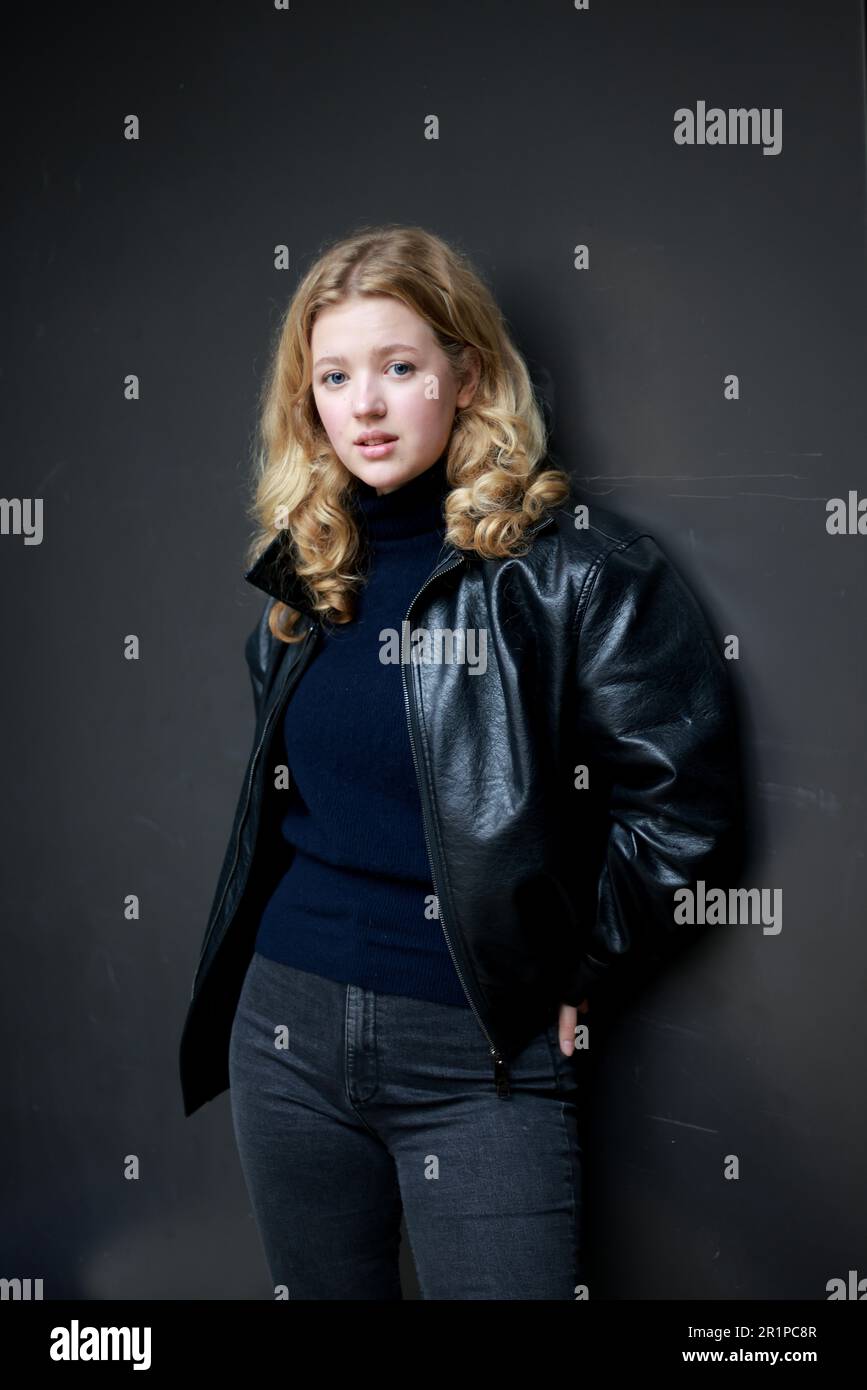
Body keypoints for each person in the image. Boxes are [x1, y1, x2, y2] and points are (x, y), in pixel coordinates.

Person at [178, 222, 745, 1300]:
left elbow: (687, 798)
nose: (367, 405)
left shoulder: (576, 572)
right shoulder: (309, 573)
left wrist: (586, 962)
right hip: (286, 1032)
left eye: (399, 367)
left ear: (467, 374)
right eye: (335, 376)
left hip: (475, 1051)